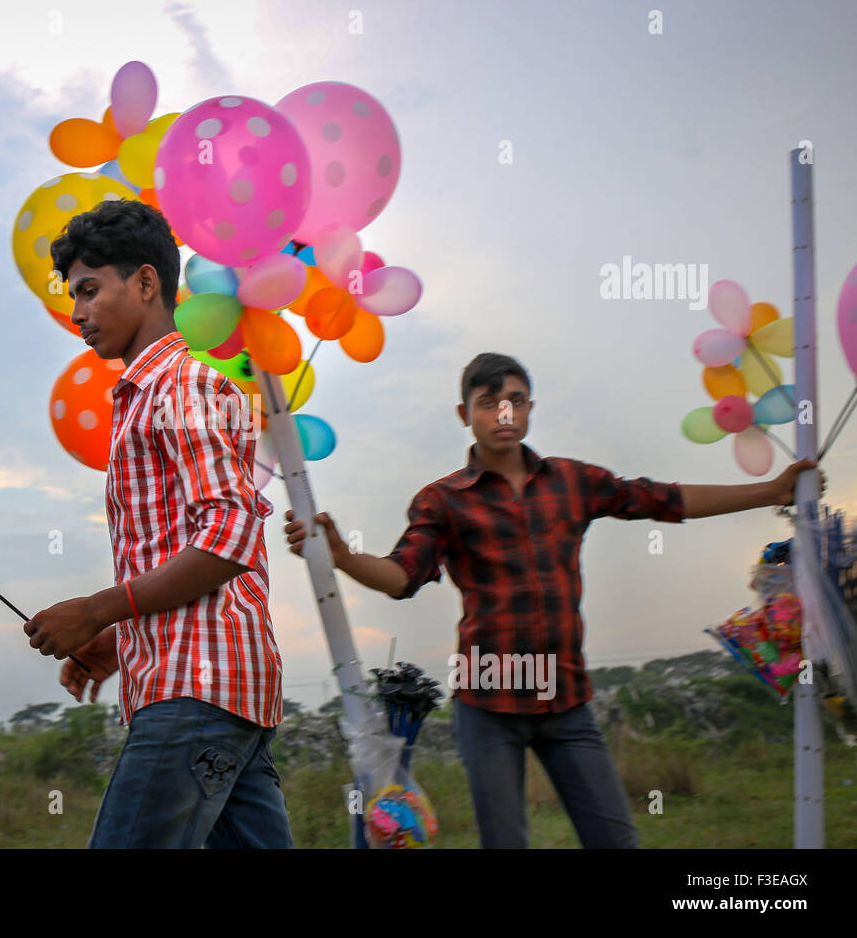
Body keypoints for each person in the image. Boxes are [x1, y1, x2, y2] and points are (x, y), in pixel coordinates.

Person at [283, 352, 821, 848]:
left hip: (568, 701)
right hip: (488, 704)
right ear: (463, 413)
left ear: (529, 408)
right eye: (488, 402)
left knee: (616, 841)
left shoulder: (571, 481)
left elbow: (665, 500)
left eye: (515, 400)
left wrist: (769, 491)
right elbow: (402, 576)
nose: (504, 412)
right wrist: (342, 556)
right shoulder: (442, 500)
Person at [23, 198, 292, 848]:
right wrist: (118, 640)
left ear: (146, 283)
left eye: (90, 289)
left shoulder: (182, 388)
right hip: (220, 694)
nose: (78, 312)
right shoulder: (145, 398)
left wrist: (97, 609)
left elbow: (229, 539)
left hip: (194, 694)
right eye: (72, 296)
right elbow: (192, 560)